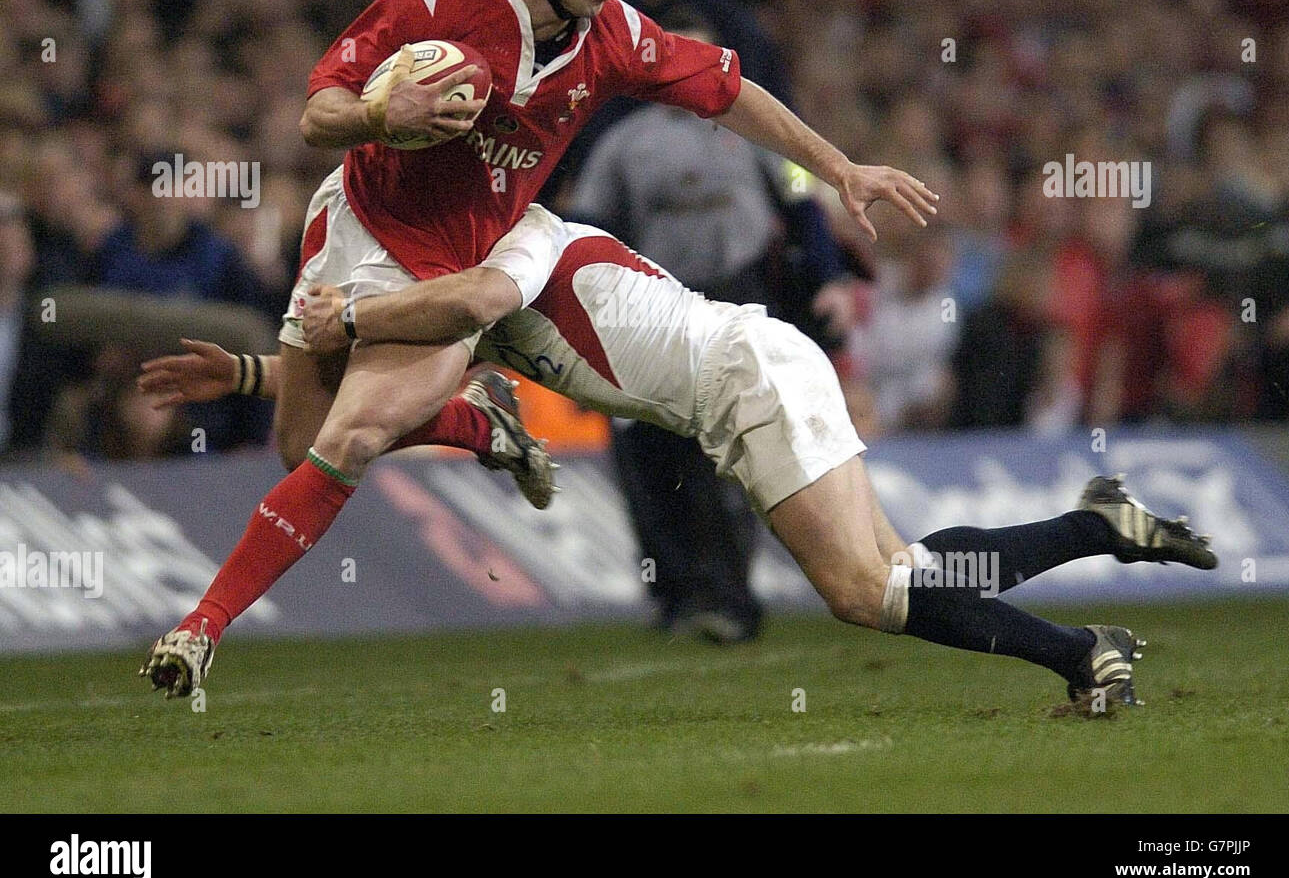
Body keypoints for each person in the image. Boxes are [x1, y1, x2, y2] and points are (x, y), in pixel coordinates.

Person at [138, 0, 937, 697]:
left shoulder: (620, 34)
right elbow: (316, 113)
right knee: (300, 445)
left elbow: (729, 90)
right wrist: (383, 114)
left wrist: (837, 168)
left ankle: (198, 631)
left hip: (464, 266)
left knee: (349, 440)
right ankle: (479, 426)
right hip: (357, 227)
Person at [142, 203, 1218, 712]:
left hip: (746, 373)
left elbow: (443, 322)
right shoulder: (455, 276)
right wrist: (252, 373)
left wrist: (340, 320)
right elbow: (378, 401)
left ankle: (1081, 649)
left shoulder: (511, 241)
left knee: (864, 588)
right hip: (735, 386)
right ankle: (1097, 524)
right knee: (898, 570)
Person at [569, 6, 853, 641]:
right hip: (653, 307)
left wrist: (829, 276)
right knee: (647, 452)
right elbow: (589, 229)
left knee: (732, 452)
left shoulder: (752, 134)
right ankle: (675, 592)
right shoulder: (623, 143)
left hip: (738, 298)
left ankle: (730, 597)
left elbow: (801, 200)